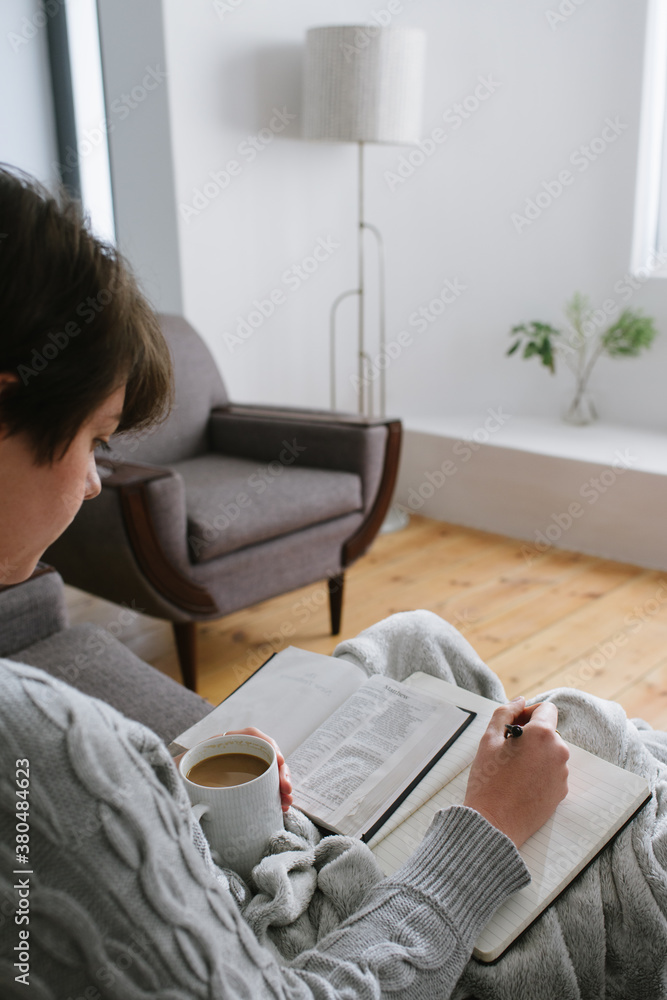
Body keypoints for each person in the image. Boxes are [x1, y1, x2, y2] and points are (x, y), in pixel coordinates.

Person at [0, 166, 569, 998]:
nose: (94, 483)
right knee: (583, 741)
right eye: (96, 440)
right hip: (359, 938)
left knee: (416, 639)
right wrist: (485, 832)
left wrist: (171, 800)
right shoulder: (42, 744)